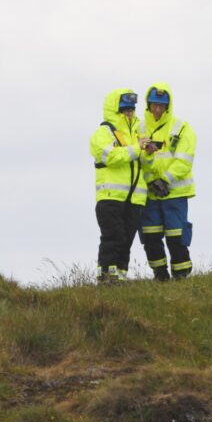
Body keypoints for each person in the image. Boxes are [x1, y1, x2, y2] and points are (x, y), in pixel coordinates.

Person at [139, 82, 197, 280]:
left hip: (175, 193)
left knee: (176, 236)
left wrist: (164, 180)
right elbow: (138, 161)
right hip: (149, 194)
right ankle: (160, 276)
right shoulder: (139, 129)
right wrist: (154, 182)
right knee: (150, 236)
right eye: (154, 104)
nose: (157, 109)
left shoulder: (182, 128)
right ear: (148, 104)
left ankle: (181, 275)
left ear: (168, 106)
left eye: (161, 105)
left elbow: (185, 160)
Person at [90, 88, 147, 283]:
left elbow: (144, 162)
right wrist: (137, 149)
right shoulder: (103, 132)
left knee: (126, 240)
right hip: (110, 196)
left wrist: (148, 151)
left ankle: (120, 279)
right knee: (112, 237)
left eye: (131, 109)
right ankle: (105, 277)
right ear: (115, 109)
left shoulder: (139, 132)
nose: (129, 113)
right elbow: (109, 156)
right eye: (125, 109)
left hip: (134, 197)